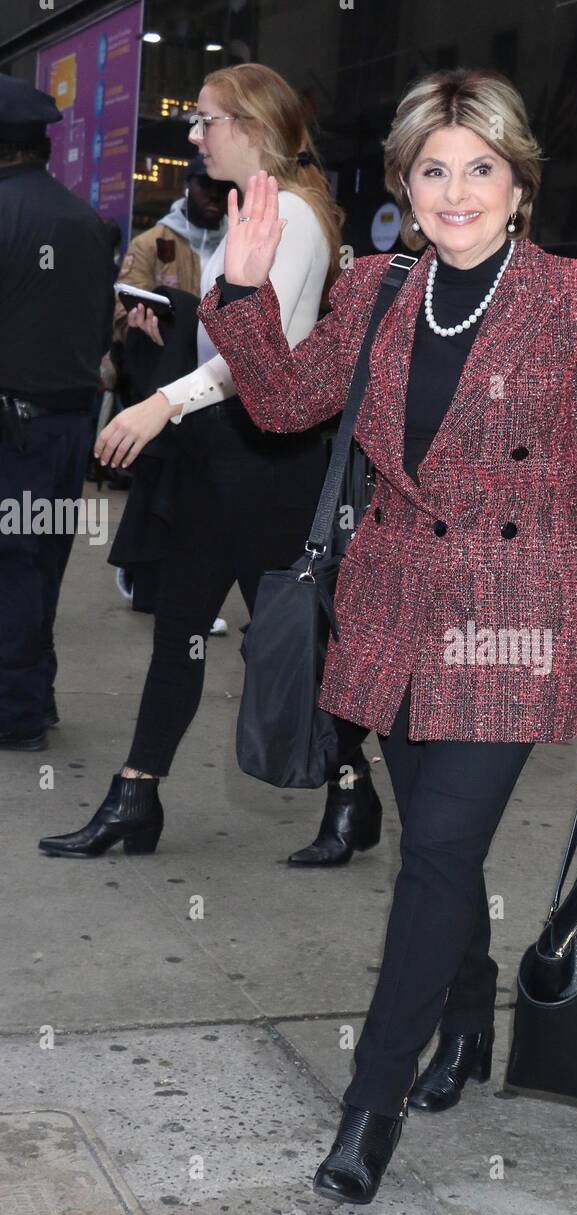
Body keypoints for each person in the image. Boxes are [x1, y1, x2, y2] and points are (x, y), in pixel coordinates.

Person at [198, 67, 577, 1205]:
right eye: (434, 170)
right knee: (434, 852)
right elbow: (290, 403)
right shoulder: (378, 287)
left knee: (440, 856)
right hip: (396, 612)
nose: (458, 193)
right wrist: (246, 298)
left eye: (481, 169)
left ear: (519, 183)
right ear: (404, 183)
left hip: (518, 624)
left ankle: (370, 1106)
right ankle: (466, 1018)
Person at [38, 62, 377, 862]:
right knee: (180, 631)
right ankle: (135, 797)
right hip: (222, 456)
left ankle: (351, 793)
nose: (192, 137)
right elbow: (234, 331)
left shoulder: (289, 216)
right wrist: (175, 322)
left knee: (289, 644)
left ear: (254, 128)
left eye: (206, 120)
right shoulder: (254, 211)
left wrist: (159, 404)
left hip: (268, 463)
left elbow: (264, 356)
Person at [0, 75, 113, 752]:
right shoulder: (85, 221)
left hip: (12, 429)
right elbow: (101, 331)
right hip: (71, 425)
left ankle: (15, 713)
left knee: (8, 567)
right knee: (41, 563)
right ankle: (33, 697)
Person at [112, 153, 229, 343]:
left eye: (223, 187)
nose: (214, 194)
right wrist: (143, 332)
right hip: (166, 360)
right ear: (188, 186)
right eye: (206, 184)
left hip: (222, 362)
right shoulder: (149, 244)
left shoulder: (239, 244)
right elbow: (123, 312)